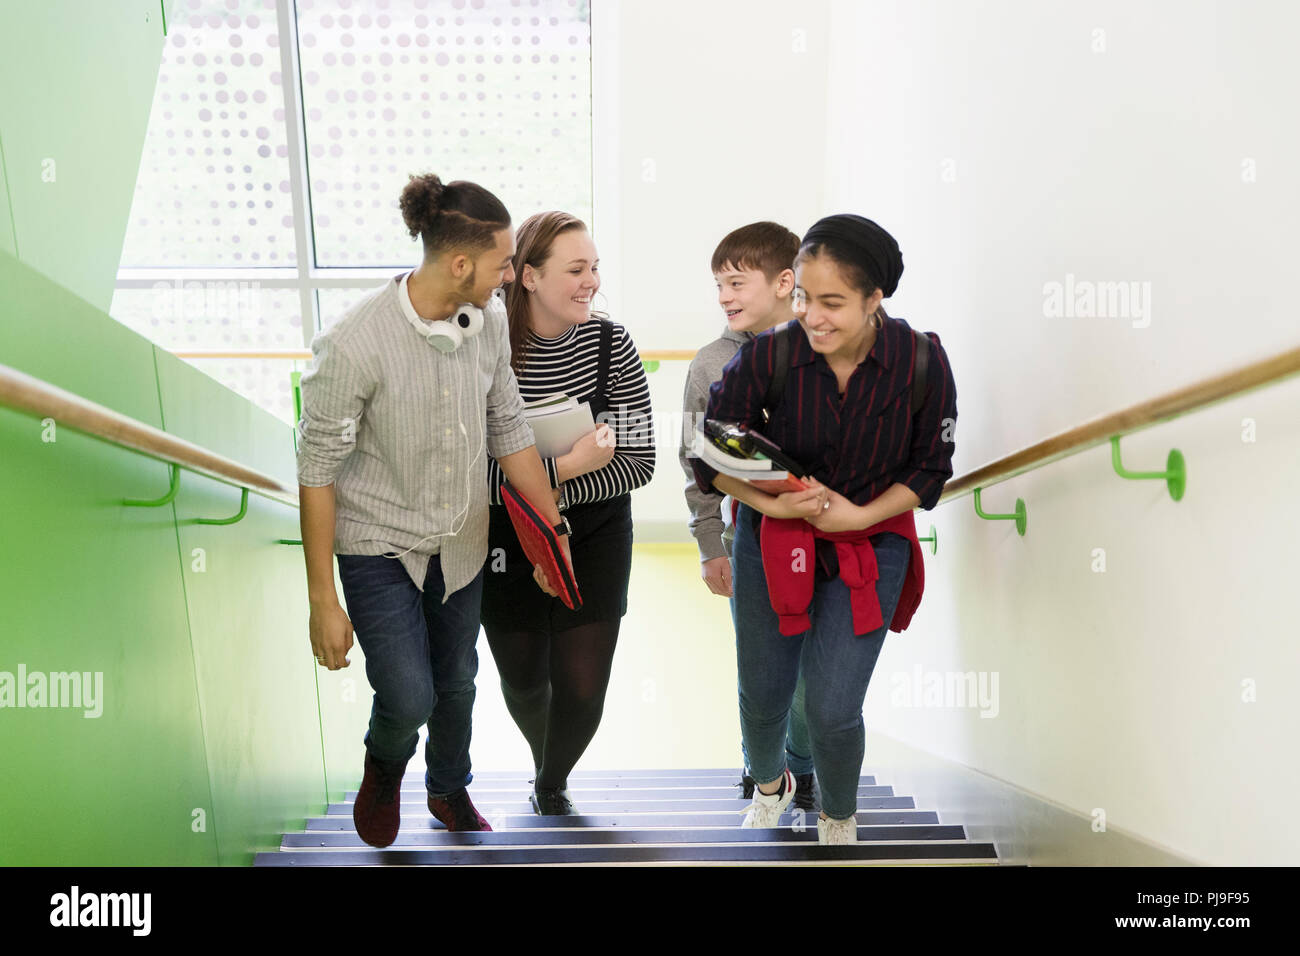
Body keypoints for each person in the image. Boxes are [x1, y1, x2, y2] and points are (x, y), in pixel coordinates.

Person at [296, 173, 570, 847]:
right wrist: (321, 600)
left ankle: (448, 789)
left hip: (462, 539)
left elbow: (508, 426)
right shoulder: (354, 342)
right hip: (376, 543)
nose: (510, 275)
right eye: (503, 262)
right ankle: (384, 766)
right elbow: (316, 471)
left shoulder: (490, 322)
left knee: (457, 684)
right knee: (410, 696)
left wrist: (551, 535)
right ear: (460, 264)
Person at [690, 214, 958, 844]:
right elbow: (710, 449)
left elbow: (931, 466)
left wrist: (861, 515)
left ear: (875, 299)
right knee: (764, 694)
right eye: (805, 298)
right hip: (772, 538)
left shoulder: (920, 362)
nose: (813, 316)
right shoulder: (770, 353)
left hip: (873, 542)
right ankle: (768, 781)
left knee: (833, 708)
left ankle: (838, 815)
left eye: (833, 302)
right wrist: (776, 506)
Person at [481, 210, 655, 815]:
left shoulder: (614, 345)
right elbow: (470, 475)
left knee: (581, 691)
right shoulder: (485, 345)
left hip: (597, 531)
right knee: (524, 678)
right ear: (528, 277)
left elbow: (638, 460)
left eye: (596, 268)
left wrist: (546, 492)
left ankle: (550, 782)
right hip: (504, 534)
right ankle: (542, 755)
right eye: (576, 269)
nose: (592, 282)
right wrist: (568, 466)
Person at [678, 221, 819, 812]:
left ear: (785, 281)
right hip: (750, 537)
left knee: (813, 675)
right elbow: (695, 457)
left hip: (829, 537)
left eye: (736, 282)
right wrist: (711, 544)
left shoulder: (824, 347)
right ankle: (761, 768)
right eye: (718, 285)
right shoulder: (710, 364)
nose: (724, 296)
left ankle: (803, 767)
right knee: (761, 664)